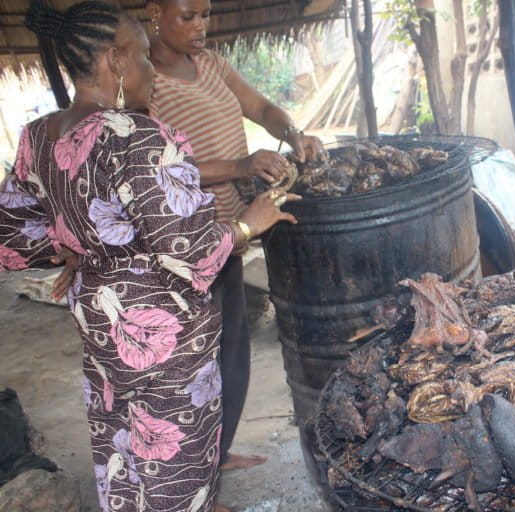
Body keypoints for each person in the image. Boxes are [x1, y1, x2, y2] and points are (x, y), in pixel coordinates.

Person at [2, 2, 299, 511]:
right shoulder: (139, 137)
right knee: (177, 470)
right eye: (140, 55)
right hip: (166, 342)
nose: (148, 73)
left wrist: (77, 247)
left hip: (101, 327)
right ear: (114, 61)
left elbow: (14, 237)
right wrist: (251, 221)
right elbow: (193, 252)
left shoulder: (37, 136)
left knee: (125, 455)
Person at [145, 0, 324, 471]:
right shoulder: (143, 83)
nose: (201, 25)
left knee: (232, 354)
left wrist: (292, 131)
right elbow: (155, 172)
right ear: (155, 13)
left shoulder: (210, 64)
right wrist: (241, 165)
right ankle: (193, 478)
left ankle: (214, 456)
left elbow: (261, 107)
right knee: (192, 364)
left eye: (205, 14)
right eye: (188, 16)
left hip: (232, 232)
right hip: (185, 244)